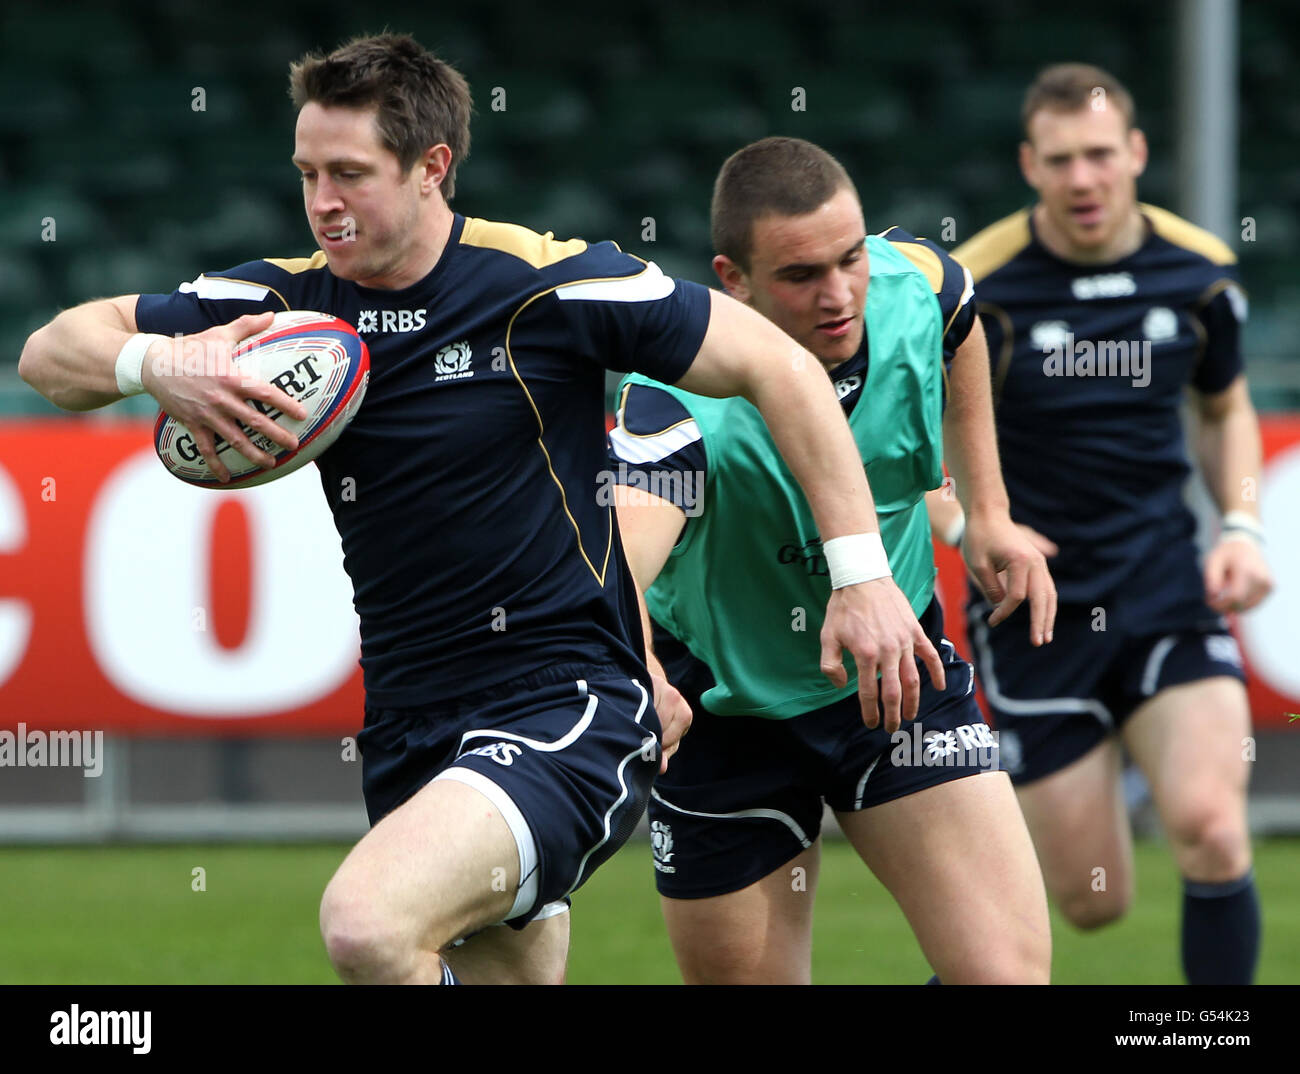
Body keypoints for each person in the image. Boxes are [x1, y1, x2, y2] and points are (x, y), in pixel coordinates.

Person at [18, 35, 943, 986]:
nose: (322, 200)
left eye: (349, 173)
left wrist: (862, 575)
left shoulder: (545, 284)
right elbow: (51, 351)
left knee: (367, 927)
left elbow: (778, 365)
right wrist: (158, 363)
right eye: (306, 173)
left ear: (432, 168)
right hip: (410, 727)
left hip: (564, 706)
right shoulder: (282, 305)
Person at [609, 136, 1055, 984]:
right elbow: (617, 566)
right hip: (722, 715)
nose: (841, 293)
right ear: (732, 279)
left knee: (1006, 977)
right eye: (802, 274)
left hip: (896, 678)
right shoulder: (673, 401)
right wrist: (644, 677)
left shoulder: (916, 284)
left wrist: (989, 514)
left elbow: (960, 322)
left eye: (851, 258)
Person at [930, 63, 1271, 984]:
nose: (1083, 179)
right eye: (1059, 160)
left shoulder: (1199, 271)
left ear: (1136, 154)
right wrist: (973, 528)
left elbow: (1225, 406)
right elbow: (908, 445)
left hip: (1166, 587)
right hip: (1034, 612)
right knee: (1090, 900)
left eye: (1098, 156)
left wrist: (1243, 525)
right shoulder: (976, 292)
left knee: (1210, 827)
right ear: (1029, 166)